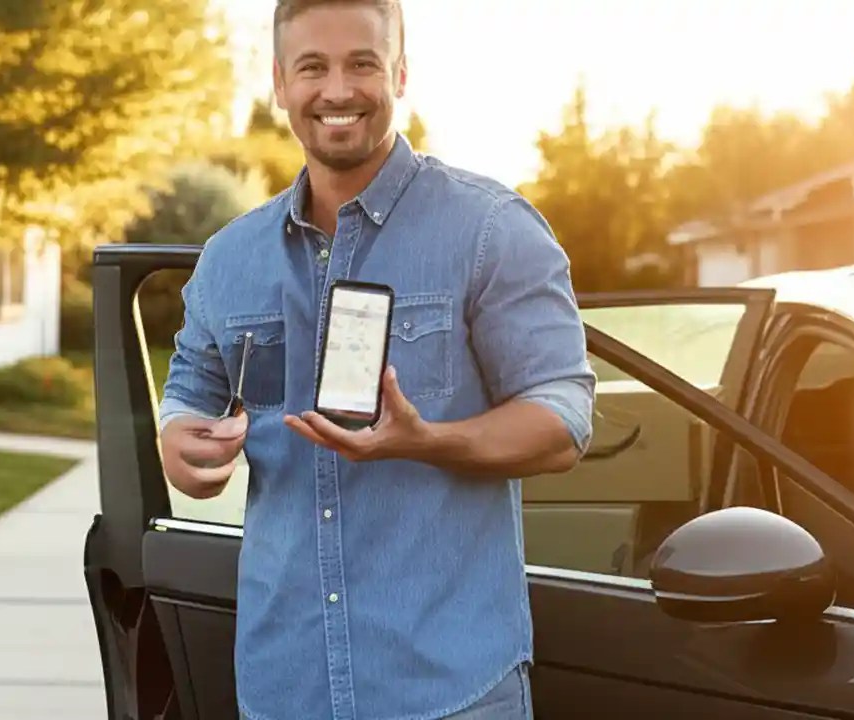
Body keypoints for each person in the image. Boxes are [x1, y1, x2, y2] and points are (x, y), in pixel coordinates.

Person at [157, 1, 595, 718]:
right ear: (278, 82)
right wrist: (184, 446)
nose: (337, 90)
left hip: (451, 691)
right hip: (284, 688)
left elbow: (563, 418)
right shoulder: (229, 260)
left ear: (398, 72)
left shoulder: (489, 229)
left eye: (361, 63)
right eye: (312, 68)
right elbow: (189, 397)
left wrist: (430, 443)